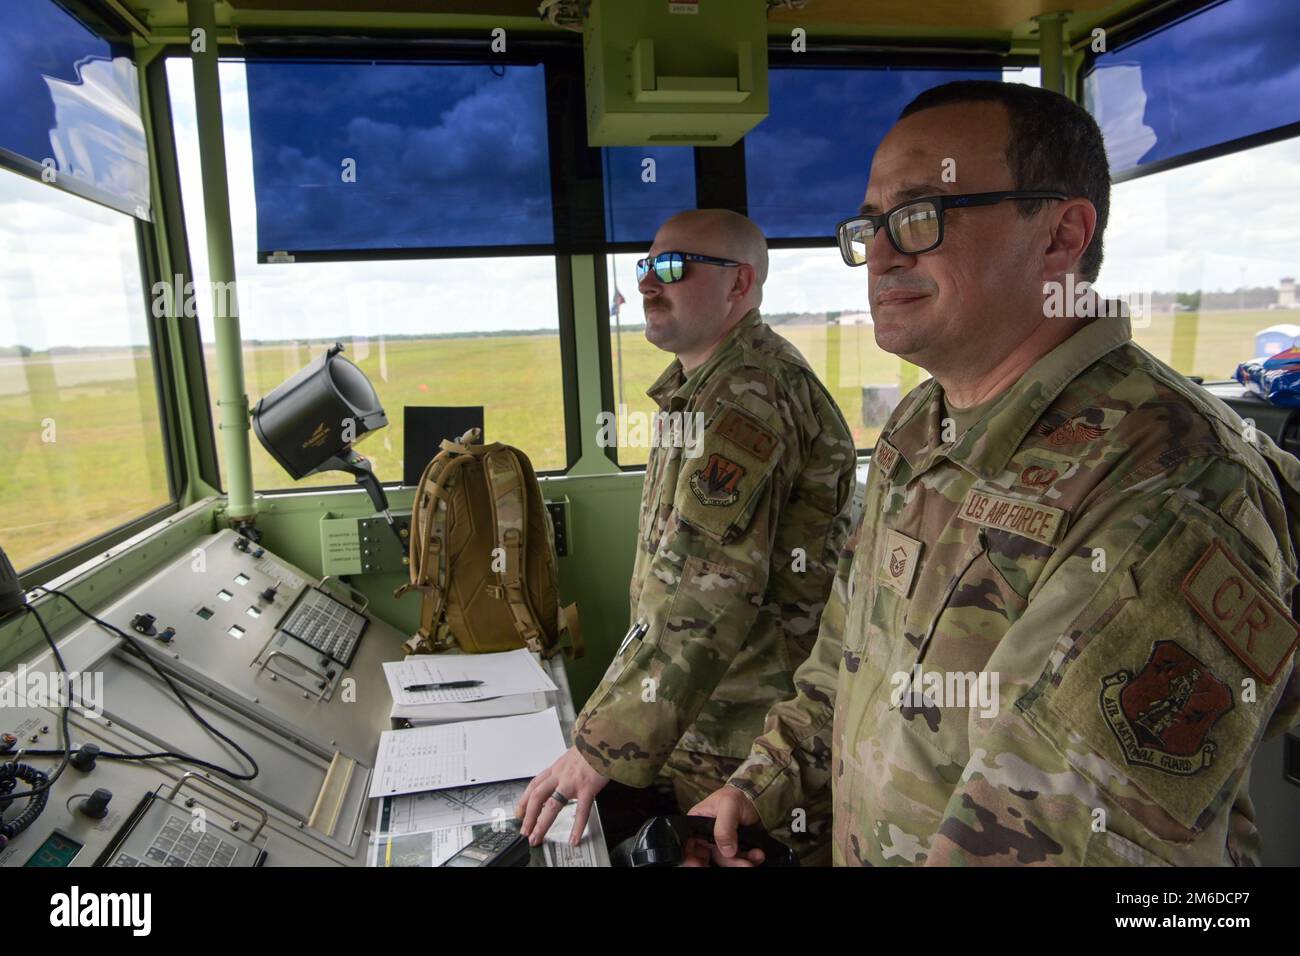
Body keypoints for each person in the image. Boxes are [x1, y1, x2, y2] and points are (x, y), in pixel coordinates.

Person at [688, 80, 1300, 867]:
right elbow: (850, 656)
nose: (879, 252)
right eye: (870, 225)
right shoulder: (922, 423)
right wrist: (761, 783)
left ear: (1060, 235)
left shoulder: (1173, 482)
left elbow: (1050, 840)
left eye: (919, 216)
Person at [515, 208, 857, 864]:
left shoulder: (744, 401)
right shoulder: (703, 390)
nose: (647, 283)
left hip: (752, 739)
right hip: (711, 719)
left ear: (740, 284)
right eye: (645, 265)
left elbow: (707, 598)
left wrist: (601, 747)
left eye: (673, 267)